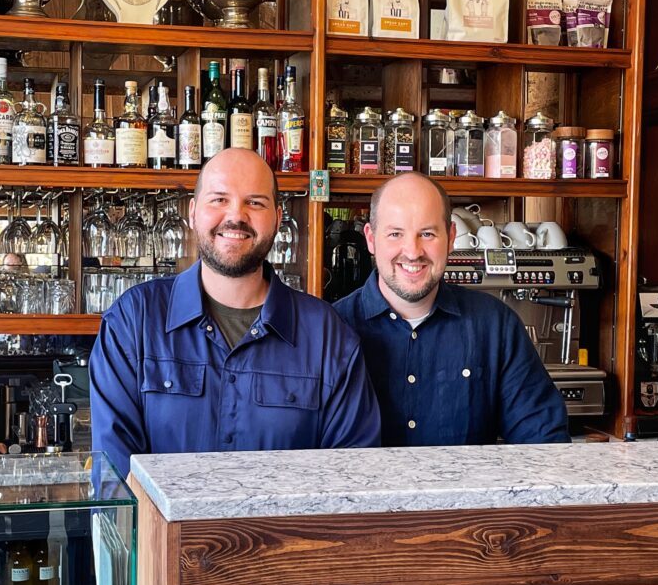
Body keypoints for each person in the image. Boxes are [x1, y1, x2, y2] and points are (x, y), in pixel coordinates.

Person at [90, 147, 381, 479]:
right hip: (164, 533)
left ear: (278, 218)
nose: (236, 216)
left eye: (255, 202)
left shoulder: (327, 335)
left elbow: (351, 479)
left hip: (286, 533)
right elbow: (115, 479)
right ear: (193, 212)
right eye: (219, 200)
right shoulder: (134, 322)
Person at [333, 172, 569, 447]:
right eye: (395, 233)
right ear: (371, 239)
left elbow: (544, 443)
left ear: (451, 238)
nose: (412, 251)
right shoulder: (333, 330)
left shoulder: (496, 326)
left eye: (427, 233)